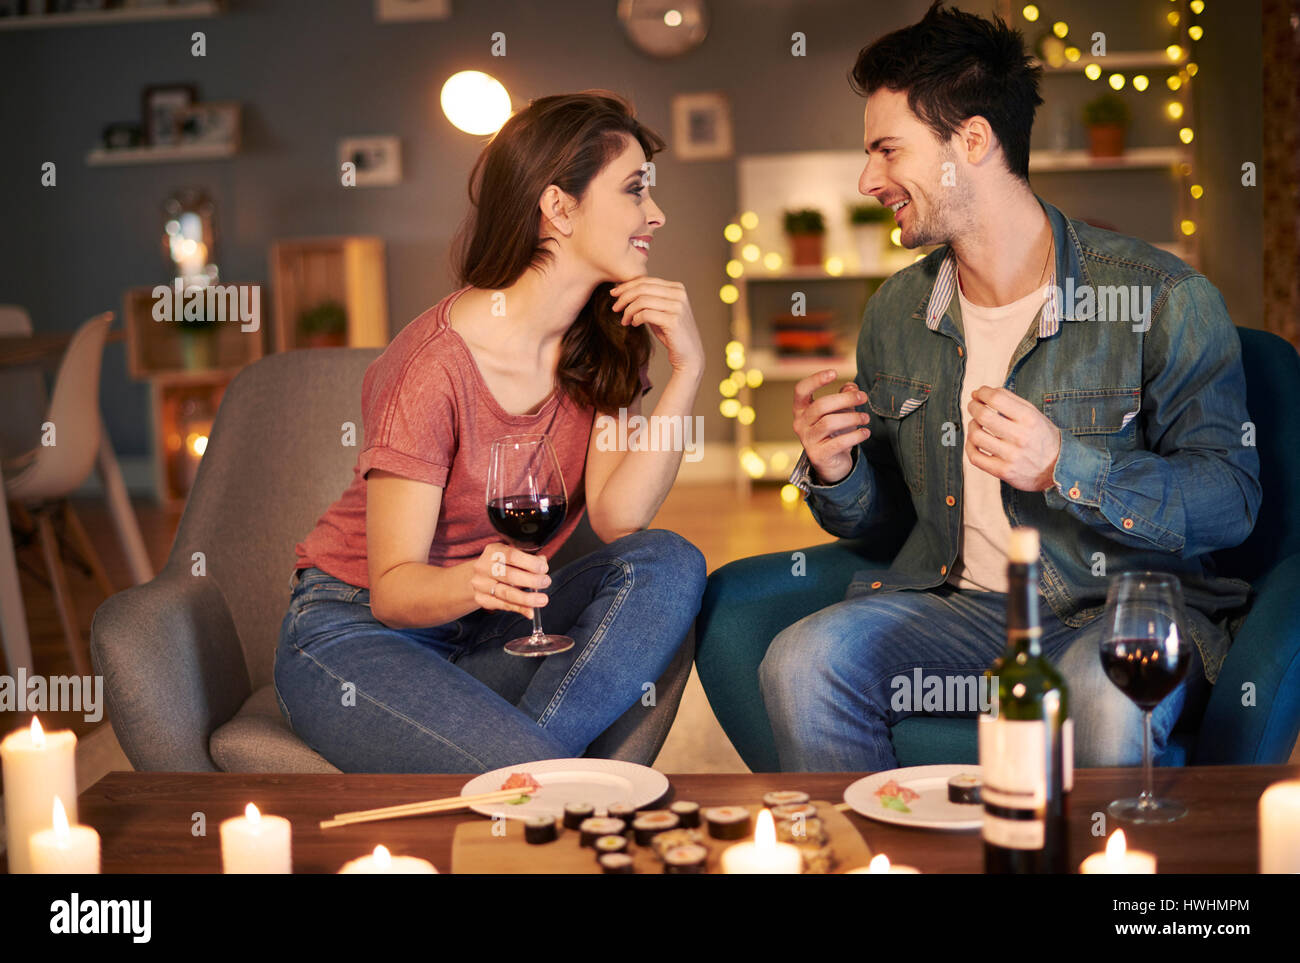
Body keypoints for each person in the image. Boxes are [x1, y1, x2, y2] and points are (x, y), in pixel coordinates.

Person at [759, 2, 1260, 771]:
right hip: (957, 609)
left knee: (1104, 693)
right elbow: (888, 517)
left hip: (1113, 610)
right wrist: (838, 470)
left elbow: (1231, 499)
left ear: (975, 140)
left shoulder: (1161, 297)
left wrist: (1066, 464)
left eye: (888, 151)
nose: (869, 179)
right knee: (802, 662)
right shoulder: (898, 309)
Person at [275, 91, 708, 773]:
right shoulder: (432, 366)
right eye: (634, 191)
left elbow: (622, 517)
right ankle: (533, 775)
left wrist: (687, 368)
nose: (656, 214)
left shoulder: (606, 341)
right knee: (533, 770)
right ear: (559, 208)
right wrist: (478, 580)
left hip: (491, 628)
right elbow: (392, 589)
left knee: (671, 560)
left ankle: (522, 770)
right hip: (358, 632)